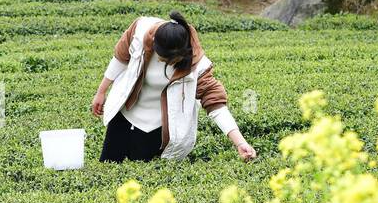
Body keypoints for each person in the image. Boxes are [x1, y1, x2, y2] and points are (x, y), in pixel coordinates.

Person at [90, 11, 256, 164]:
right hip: (124, 117)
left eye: (172, 61)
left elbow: (216, 105)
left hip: (157, 129)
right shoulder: (140, 29)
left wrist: (240, 142)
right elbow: (120, 58)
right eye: (162, 59)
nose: (166, 63)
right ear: (153, 43)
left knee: (142, 179)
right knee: (108, 165)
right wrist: (101, 91)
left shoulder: (198, 66)